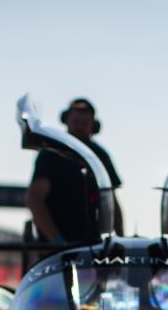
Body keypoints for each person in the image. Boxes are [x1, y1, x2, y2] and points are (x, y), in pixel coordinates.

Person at [25, 98, 123, 244]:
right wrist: (57, 240)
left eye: (84, 123)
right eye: (76, 122)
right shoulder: (51, 154)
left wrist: (121, 240)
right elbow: (34, 200)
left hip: (93, 248)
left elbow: (111, 202)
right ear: (66, 121)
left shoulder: (100, 156)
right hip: (55, 251)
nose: (79, 127)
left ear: (93, 126)